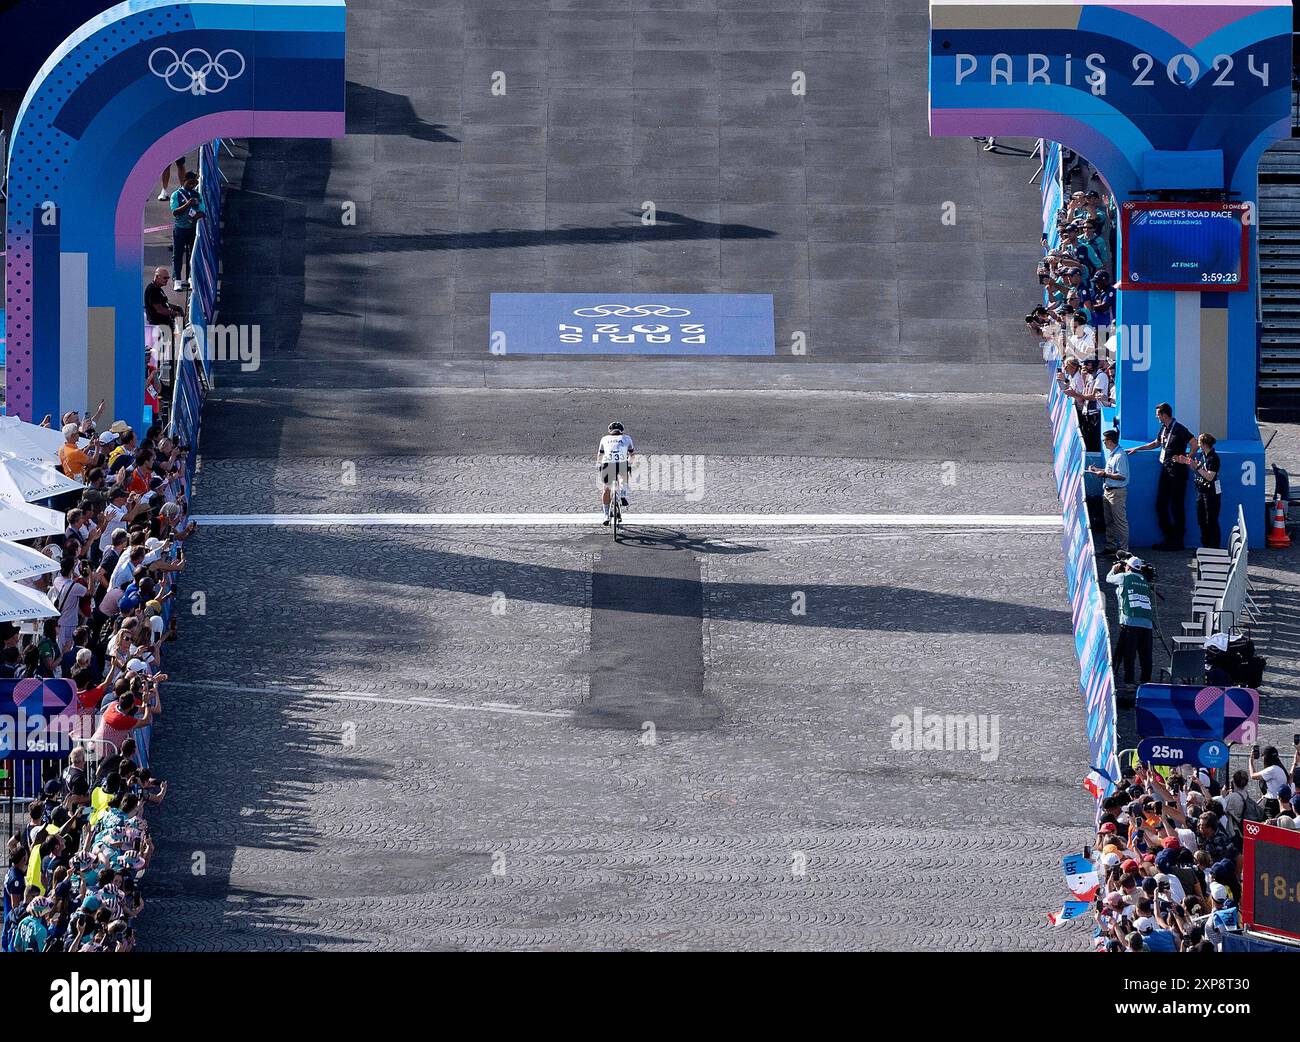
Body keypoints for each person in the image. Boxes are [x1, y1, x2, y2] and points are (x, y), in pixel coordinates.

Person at [1128, 403, 1193, 550]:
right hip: (1165, 469)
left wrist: (1187, 458)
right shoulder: (1164, 428)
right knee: (1160, 504)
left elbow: (1194, 444)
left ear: (1165, 414)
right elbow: (1156, 443)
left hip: (1178, 472)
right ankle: (1169, 537)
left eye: (1158, 414)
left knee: (1177, 506)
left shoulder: (1179, 429)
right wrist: (1138, 448)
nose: (1156, 417)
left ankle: (1178, 541)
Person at [1106, 555, 1155, 688]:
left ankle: (1129, 682)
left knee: (1129, 654)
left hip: (1130, 621)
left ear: (1128, 567)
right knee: (1145, 655)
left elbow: (1108, 579)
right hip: (1147, 622)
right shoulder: (1145, 581)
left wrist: (1114, 569)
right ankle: (1146, 681)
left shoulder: (1124, 577)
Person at [1176, 433, 1222, 550]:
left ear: (1205, 444)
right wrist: (1189, 462)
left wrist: (1197, 467)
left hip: (1211, 493)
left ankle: (1214, 546)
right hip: (1202, 491)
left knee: (1211, 520)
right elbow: (1199, 470)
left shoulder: (1213, 458)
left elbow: (1209, 476)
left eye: (1200, 443)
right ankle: (1206, 545)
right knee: (1201, 519)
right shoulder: (1203, 455)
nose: (1198, 445)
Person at [1088, 428, 1129, 554]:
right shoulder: (1113, 454)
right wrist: (1096, 470)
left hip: (1116, 492)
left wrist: (1104, 474)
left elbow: (1122, 476)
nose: (1103, 443)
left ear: (1110, 441)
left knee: (1120, 522)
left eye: (1104, 440)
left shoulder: (1120, 455)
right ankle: (1111, 546)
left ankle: (1123, 550)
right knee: (1109, 521)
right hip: (1108, 491)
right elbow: (1110, 472)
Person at [169, 170, 204, 291]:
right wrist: (188, 204)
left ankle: (190, 278)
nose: (192, 185)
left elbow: (202, 212)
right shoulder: (176, 195)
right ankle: (177, 280)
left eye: (194, 183)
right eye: (190, 183)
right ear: (184, 181)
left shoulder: (197, 195)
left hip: (192, 229)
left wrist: (194, 217)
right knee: (177, 255)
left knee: (192, 253)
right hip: (180, 229)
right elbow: (175, 212)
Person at [596, 421, 635, 526]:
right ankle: (622, 494)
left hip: (607, 464)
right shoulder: (627, 438)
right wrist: (630, 464)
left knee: (606, 489)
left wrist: (599, 464)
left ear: (610, 431)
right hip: (622, 463)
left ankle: (606, 515)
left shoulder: (604, 439)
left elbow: (600, 455)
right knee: (624, 476)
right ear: (621, 431)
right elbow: (632, 454)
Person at [144, 268, 183, 344]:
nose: (167, 280)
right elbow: (159, 309)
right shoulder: (152, 290)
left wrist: (176, 308)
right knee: (166, 349)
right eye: (164, 278)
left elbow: (165, 304)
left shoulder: (158, 289)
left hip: (165, 325)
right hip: (159, 326)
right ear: (157, 277)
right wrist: (175, 313)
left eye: (168, 278)